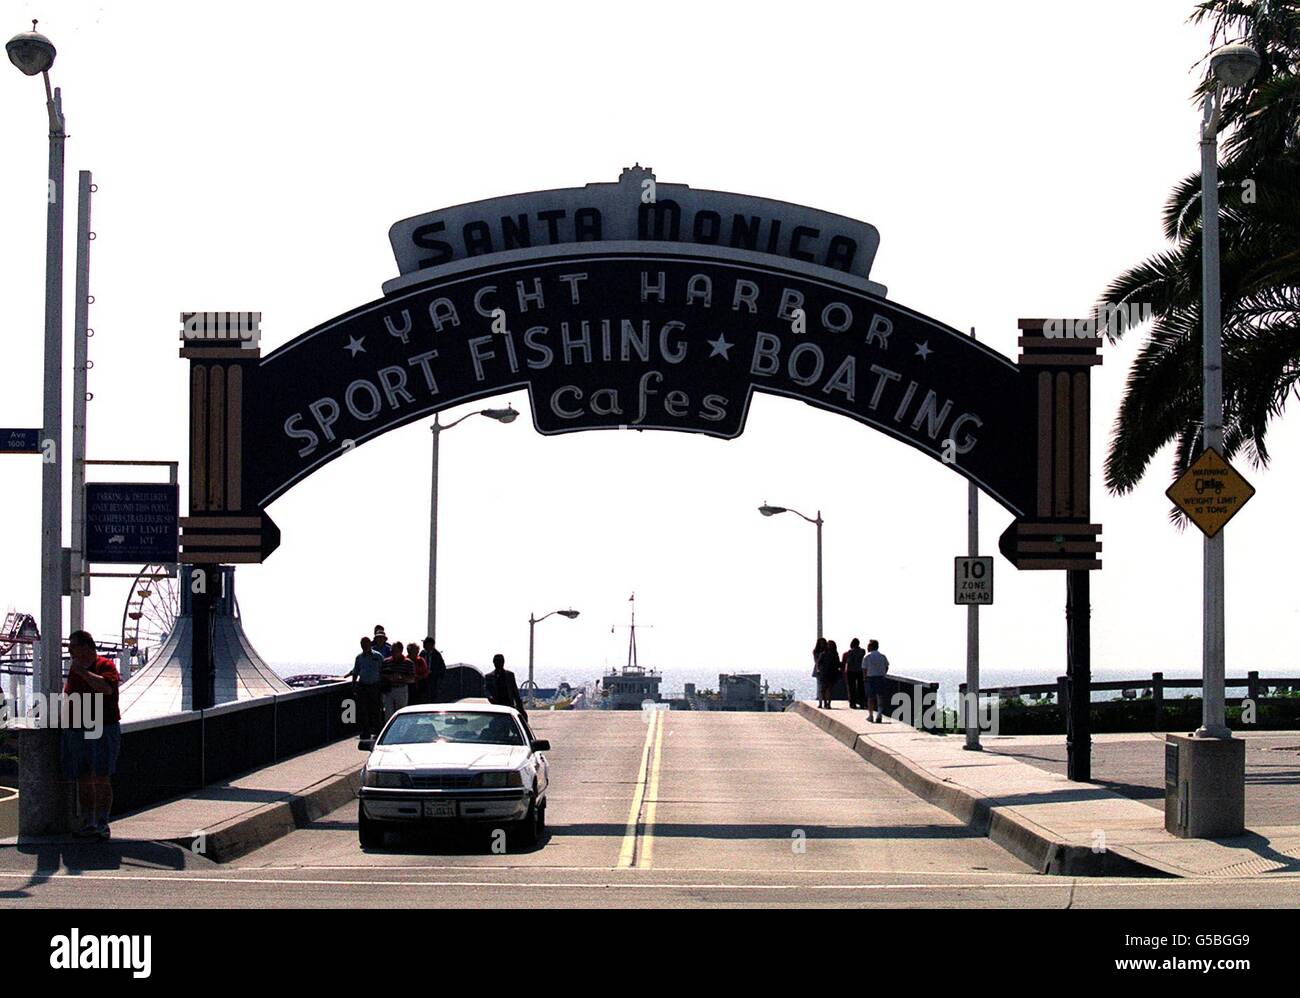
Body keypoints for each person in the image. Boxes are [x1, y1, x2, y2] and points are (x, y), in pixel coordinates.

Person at [61, 630, 122, 839]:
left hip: (103, 727)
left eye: (73, 646)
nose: (70, 651)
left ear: (86, 646)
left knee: (101, 777)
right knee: (83, 777)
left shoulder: (106, 666)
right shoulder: (73, 671)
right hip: (77, 728)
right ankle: (88, 822)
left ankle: (103, 823)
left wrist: (84, 673)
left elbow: (107, 689)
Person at [346, 635, 383, 746]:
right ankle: (365, 731)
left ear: (370, 644)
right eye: (362, 644)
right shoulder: (359, 658)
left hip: (375, 686)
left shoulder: (378, 656)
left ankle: (378, 731)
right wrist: (353, 684)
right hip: (363, 686)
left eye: (366, 644)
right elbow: (356, 671)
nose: (364, 646)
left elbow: (383, 670)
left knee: (376, 710)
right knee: (364, 710)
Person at [380, 640, 414, 720]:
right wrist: (388, 677)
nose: (393, 653)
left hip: (401, 689)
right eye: (392, 651)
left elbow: (412, 679)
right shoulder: (386, 662)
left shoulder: (408, 663)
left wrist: (401, 677)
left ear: (401, 651)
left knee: (401, 713)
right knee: (388, 714)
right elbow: (381, 674)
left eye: (395, 651)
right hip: (389, 690)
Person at [864, 639, 890, 723]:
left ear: (871, 647)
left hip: (870, 678)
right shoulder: (882, 656)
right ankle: (879, 714)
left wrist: (864, 678)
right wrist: (883, 674)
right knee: (880, 696)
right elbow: (886, 666)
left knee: (870, 698)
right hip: (880, 678)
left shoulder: (867, 656)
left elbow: (864, 668)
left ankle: (871, 715)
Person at [843, 638, 867, 711]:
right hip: (860, 670)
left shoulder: (850, 652)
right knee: (861, 687)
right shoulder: (863, 651)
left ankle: (853, 703)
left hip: (851, 671)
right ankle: (862, 703)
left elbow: (849, 661)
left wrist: (846, 670)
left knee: (852, 687)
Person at [816, 639, 841, 709]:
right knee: (823, 689)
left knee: (829, 689)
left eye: (831, 645)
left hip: (832, 673)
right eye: (829, 644)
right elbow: (819, 663)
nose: (829, 646)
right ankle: (824, 702)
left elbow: (838, 664)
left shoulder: (835, 654)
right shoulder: (823, 654)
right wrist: (818, 670)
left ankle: (828, 703)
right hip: (824, 673)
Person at [422, 637, 446, 703]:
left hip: (434, 680)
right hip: (423, 680)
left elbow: (442, 668)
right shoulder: (422, 654)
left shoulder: (437, 655)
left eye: (426, 644)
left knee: (433, 698)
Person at [812, 638, 828, 708]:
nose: (822, 645)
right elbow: (816, 661)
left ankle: (826, 702)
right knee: (820, 687)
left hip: (827, 670)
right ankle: (820, 702)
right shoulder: (816, 651)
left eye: (823, 643)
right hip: (819, 669)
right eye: (821, 643)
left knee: (826, 687)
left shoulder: (827, 651)